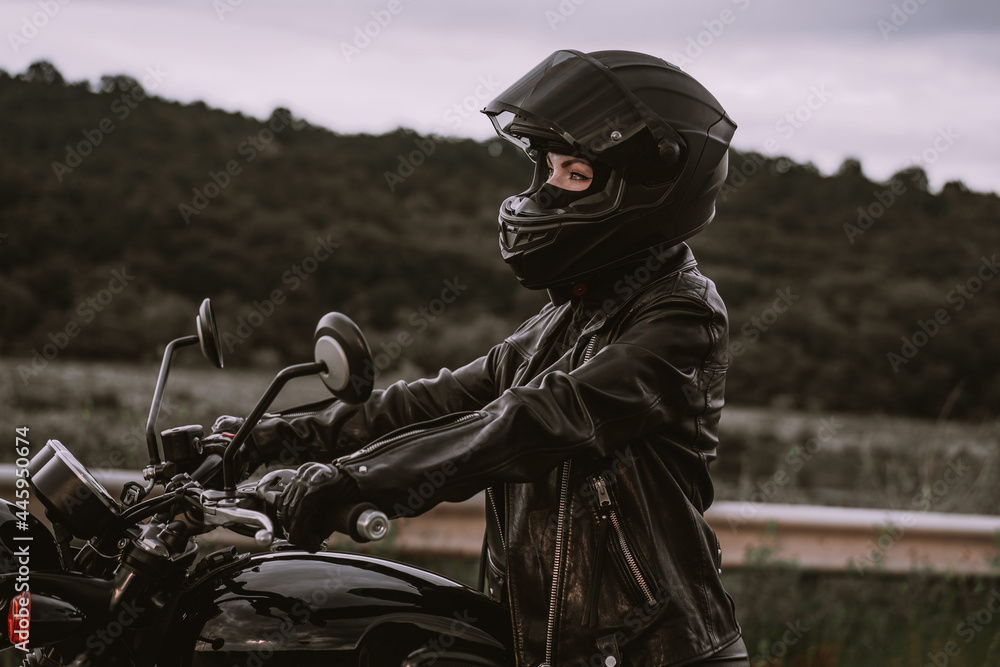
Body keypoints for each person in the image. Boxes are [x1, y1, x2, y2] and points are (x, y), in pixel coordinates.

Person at [240, 49, 747, 666]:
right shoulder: (563, 318)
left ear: (646, 194)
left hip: (653, 651)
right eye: (549, 170)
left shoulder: (680, 316)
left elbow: (537, 420)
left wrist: (355, 480)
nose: (547, 192)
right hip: (537, 647)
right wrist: (266, 440)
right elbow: (436, 402)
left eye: (575, 175)